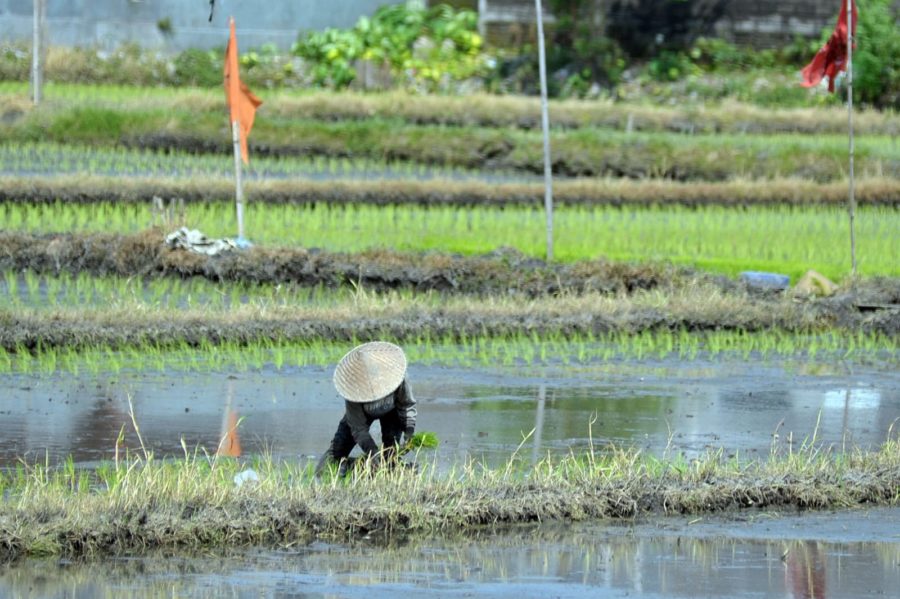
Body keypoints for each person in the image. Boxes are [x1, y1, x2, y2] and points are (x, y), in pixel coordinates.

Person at [315, 341, 416, 477]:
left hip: (392, 413)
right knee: (332, 459)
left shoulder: (398, 378)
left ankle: (396, 471)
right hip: (362, 415)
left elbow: (407, 405)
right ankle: (355, 467)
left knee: (390, 458)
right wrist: (373, 452)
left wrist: (409, 430)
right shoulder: (353, 391)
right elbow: (359, 430)